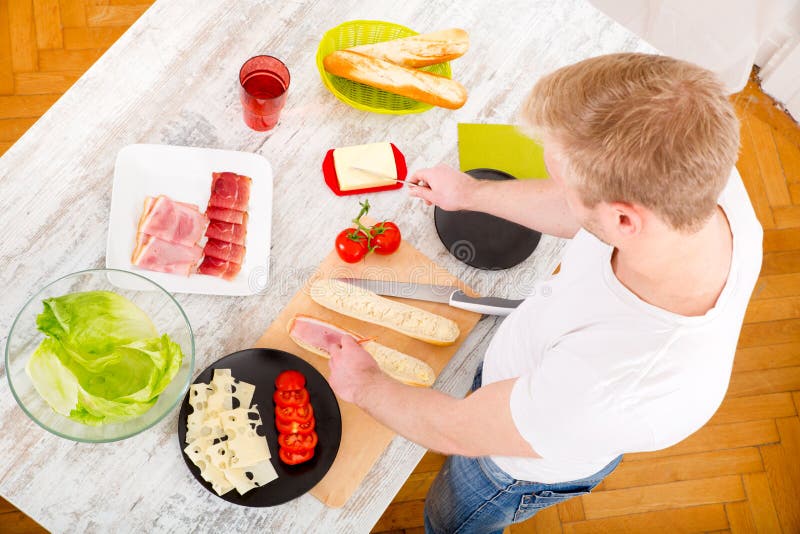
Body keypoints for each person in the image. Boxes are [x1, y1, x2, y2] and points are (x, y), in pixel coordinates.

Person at [326, 53, 763, 533]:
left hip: (509, 469)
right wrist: (471, 195)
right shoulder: (695, 171)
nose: (558, 187)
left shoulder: (610, 384)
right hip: (530, 382)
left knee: (449, 520)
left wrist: (363, 385)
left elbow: (457, 430)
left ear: (623, 219)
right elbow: (583, 210)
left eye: (562, 180)